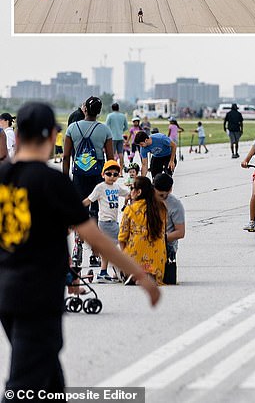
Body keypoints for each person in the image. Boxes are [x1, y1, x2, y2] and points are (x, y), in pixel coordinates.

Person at [0, 103, 158, 398]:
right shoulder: (50, 182)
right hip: (37, 297)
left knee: (49, 382)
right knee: (22, 387)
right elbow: (95, 238)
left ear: (18, 136)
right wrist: (139, 274)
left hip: (6, 295)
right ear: (52, 138)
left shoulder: (2, 175)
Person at [63, 96, 114, 268]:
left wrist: (65, 179)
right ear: (99, 111)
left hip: (78, 176)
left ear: (84, 109)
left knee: (79, 213)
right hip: (98, 176)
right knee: (96, 214)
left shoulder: (72, 128)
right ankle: (95, 253)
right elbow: (111, 159)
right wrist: (111, 180)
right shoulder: (105, 130)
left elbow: (66, 156)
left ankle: (77, 249)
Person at [81, 160, 129, 282]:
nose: (112, 177)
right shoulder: (100, 187)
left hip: (113, 221)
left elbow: (128, 194)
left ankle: (103, 273)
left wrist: (134, 196)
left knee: (108, 248)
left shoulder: (117, 187)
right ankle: (123, 269)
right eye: (109, 174)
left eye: (115, 174)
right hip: (105, 222)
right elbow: (89, 200)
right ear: (103, 174)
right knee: (124, 241)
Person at [119, 176, 168, 284]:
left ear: (139, 192)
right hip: (157, 256)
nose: (130, 192)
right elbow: (163, 231)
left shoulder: (131, 209)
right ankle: (150, 273)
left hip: (135, 253)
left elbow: (122, 237)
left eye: (132, 189)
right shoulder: (161, 207)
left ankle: (135, 275)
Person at [153, 173, 185, 284]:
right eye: (158, 195)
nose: (160, 199)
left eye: (163, 196)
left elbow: (180, 232)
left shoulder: (175, 205)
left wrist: (160, 238)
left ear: (170, 190)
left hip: (167, 243)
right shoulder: (146, 200)